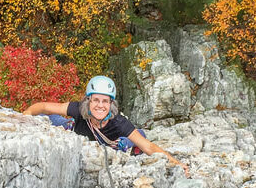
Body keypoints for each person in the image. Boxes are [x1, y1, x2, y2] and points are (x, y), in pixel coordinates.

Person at [24, 75, 189, 175]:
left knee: (137, 136)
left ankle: (126, 144)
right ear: (88, 101)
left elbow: (149, 147)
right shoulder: (78, 109)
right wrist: (24, 116)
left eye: (105, 101)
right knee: (52, 118)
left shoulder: (119, 123)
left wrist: (176, 163)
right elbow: (44, 107)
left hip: (110, 143)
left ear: (111, 104)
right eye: (95, 100)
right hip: (73, 129)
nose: (100, 105)